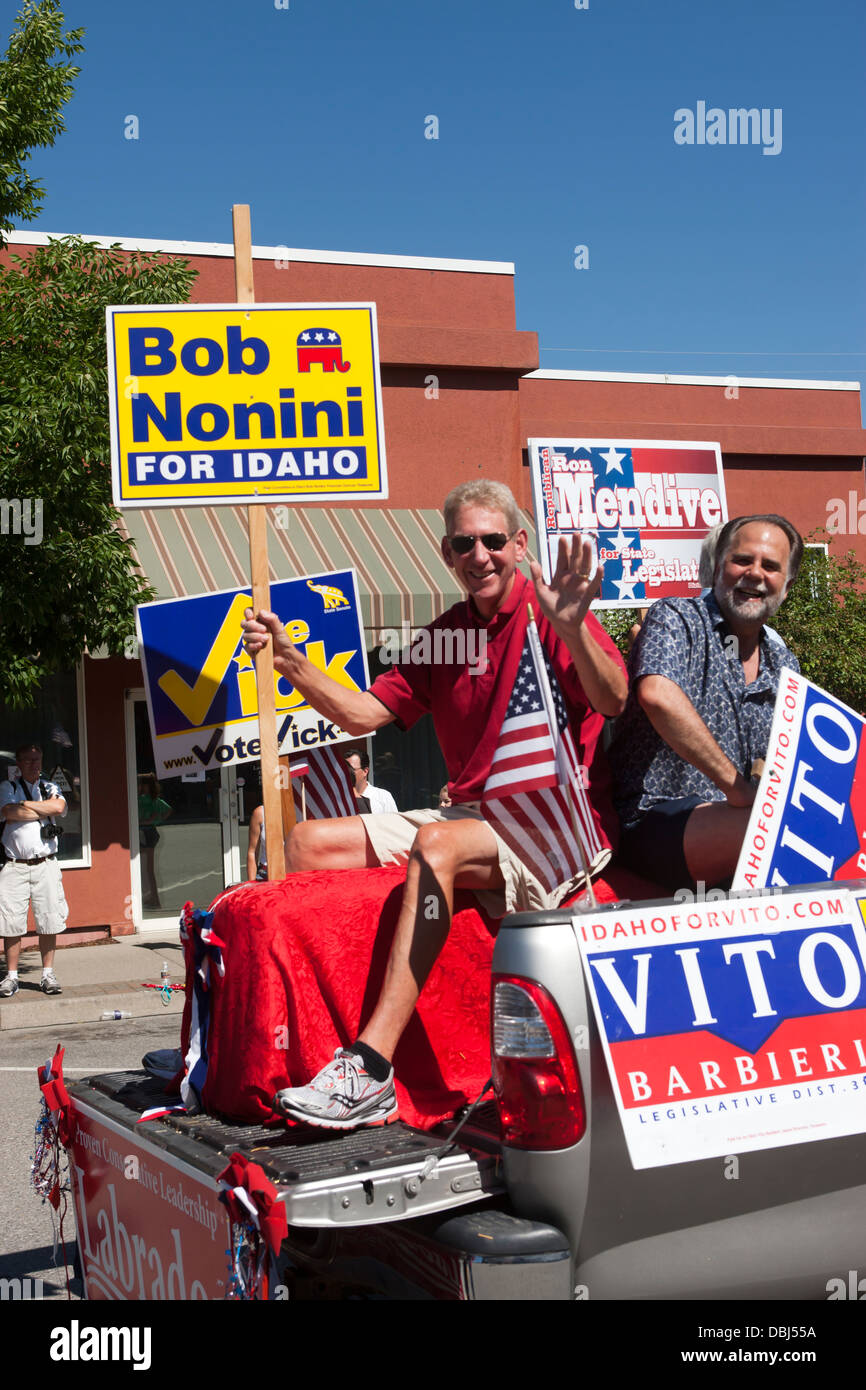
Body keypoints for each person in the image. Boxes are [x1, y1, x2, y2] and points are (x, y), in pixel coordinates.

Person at [241, 479, 627, 1129]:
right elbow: (366, 711)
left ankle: (369, 1067)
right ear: (446, 554)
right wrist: (290, 663)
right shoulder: (444, 635)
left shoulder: (553, 612)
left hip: (554, 828)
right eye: (463, 543)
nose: (480, 554)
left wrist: (572, 628)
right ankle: (279, 1036)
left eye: (494, 540)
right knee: (305, 842)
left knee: (435, 845)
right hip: (473, 816)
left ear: (519, 544)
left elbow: (614, 698)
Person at [608, 513, 802, 894]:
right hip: (653, 820)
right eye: (742, 560)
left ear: (787, 585)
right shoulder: (676, 617)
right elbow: (658, 695)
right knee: (782, 829)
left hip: (734, 823)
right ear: (716, 568)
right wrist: (738, 789)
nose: (755, 574)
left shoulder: (785, 665)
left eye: (771, 566)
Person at [0, 742, 69, 997]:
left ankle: (47, 974)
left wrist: (26, 806)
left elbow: (59, 808)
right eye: (28, 760)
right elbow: (9, 812)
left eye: (37, 759)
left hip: (46, 864)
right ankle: (12, 976)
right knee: (10, 923)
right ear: (18, 764)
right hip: (14, 866)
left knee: (49, 920)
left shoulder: (50, 787)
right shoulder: (8, 787)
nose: (34, 764)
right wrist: (40, 809)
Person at [137, 774, 172, 908]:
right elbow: (168, 810)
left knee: (146, 869)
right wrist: (157, 820)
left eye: (141, 784)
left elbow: (163, 812)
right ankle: (153, 898)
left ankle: (154, 900)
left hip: (145, 832)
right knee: (147, 869)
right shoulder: (154, 799)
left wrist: (145, 821)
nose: (139, 787)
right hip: (150, 832)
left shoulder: (143, 799)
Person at [345, 749, 398, 814]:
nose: (347, 773)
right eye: (345, 769)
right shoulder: (340, 799)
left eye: (351, 769)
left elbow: (394, 823)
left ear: (365, 771)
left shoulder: (383, 797)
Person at [247, 804, 268, 881]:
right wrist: (251, 884)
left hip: (294, 874)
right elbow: (252, 852)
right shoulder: (260, 812)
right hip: (266, 873)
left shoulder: (301, 809)